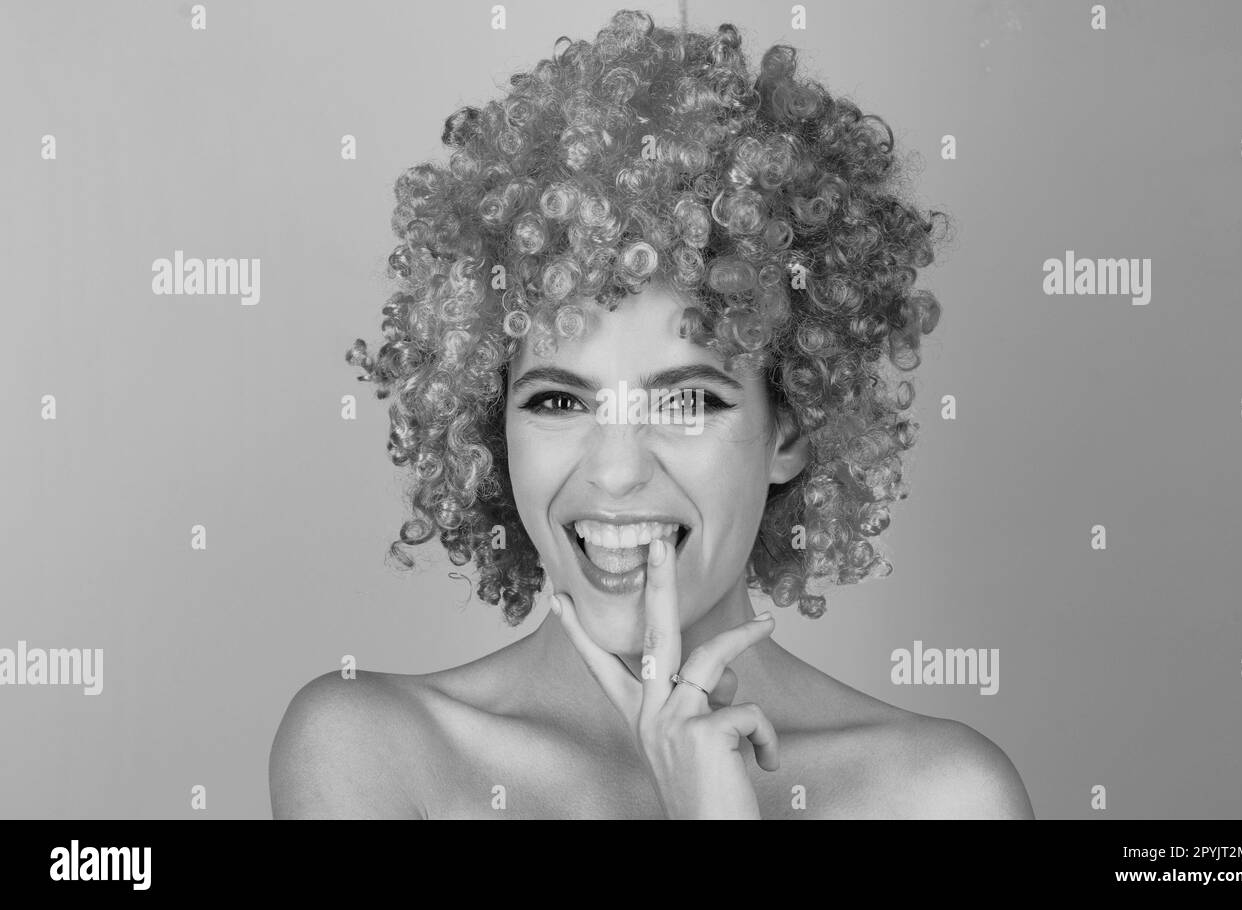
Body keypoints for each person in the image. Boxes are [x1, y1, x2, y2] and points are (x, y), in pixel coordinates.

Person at [270, 10, 1033, 819]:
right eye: (559, 400)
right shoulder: (373, 750)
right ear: (491, 423)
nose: (616, 471)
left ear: (793, 429)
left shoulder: (941, 795)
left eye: (686, 400)